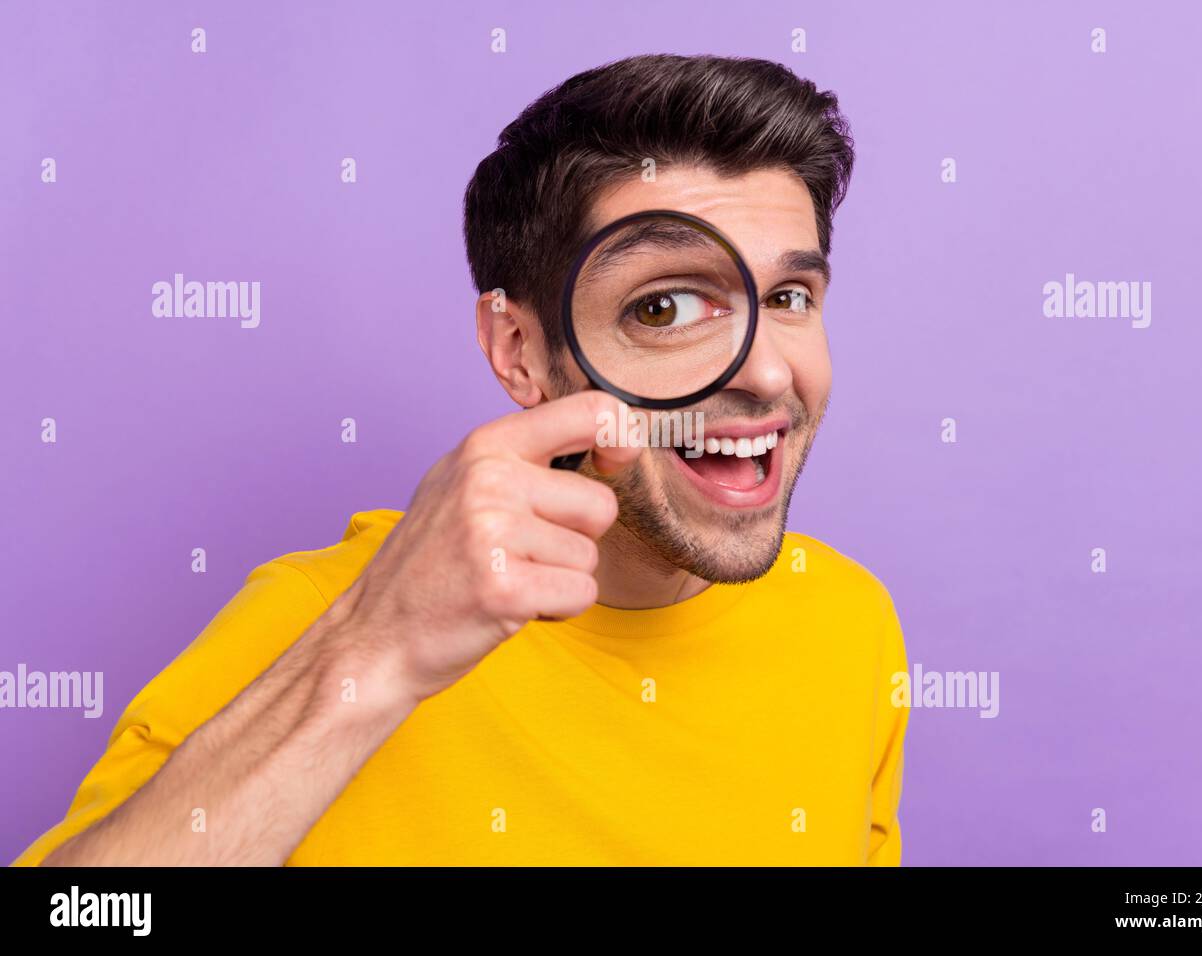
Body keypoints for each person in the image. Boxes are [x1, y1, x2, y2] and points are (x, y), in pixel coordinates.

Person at [14, 53, 909, 867]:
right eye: (665, 309)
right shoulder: (317, 620)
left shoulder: (853, 623)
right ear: (519, 348)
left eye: (791, 295)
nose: (764, 370)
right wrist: (374, 649)